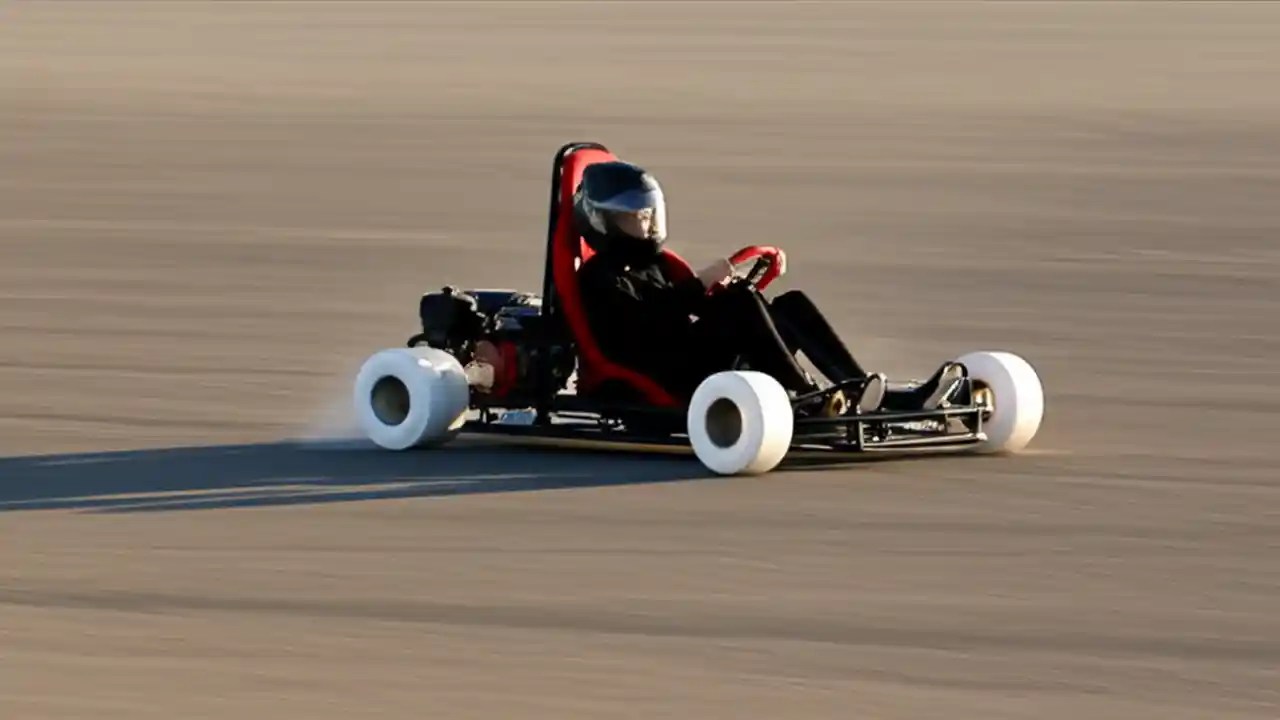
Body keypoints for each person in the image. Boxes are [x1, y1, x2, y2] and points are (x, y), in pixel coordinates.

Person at [571, 159, 963, 414]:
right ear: (603, 220)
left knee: (788, 304)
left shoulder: (654, 263)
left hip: (689, 356)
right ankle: (808, 397)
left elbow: (689, 309)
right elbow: (648, 325)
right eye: (635, 218)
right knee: (740, 304)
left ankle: (865, 389)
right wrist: (702, 286)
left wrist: (724, 287)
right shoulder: (598, 277)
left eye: (648, 216)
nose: (646, 226)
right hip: (662, 375)